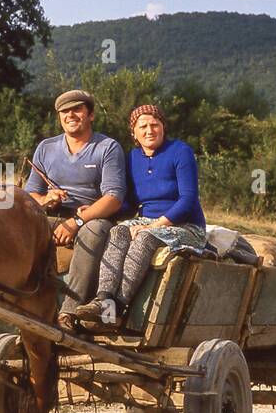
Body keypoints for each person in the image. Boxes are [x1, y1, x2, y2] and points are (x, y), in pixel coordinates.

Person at [73, 103, 207, 327]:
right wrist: (94, 208)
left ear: (163, 127)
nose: (149, 130)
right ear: (133, 132)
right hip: (148, 221)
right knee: (117, 232)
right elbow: (130, 205)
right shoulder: (132, 158)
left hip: (185, 225)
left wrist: (155, 226)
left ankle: (119, 306)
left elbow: (188, 199)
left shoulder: (180, 152)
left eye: (155, 124)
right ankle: (104, 300)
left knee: (144, 238)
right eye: (142, 126)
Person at [24, 89, 126, 330]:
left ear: (90, 115)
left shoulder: (107, 148)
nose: (70, 115)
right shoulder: (46, 148)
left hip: (93, 218)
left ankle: (68, 312)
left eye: (77, 109)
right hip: (53, 217)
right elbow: (30, 195)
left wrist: (76, 222)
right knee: (17, 225)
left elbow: (114, 197)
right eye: (64, 111)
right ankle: (17, 301)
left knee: (93, 230)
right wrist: (46, 200)